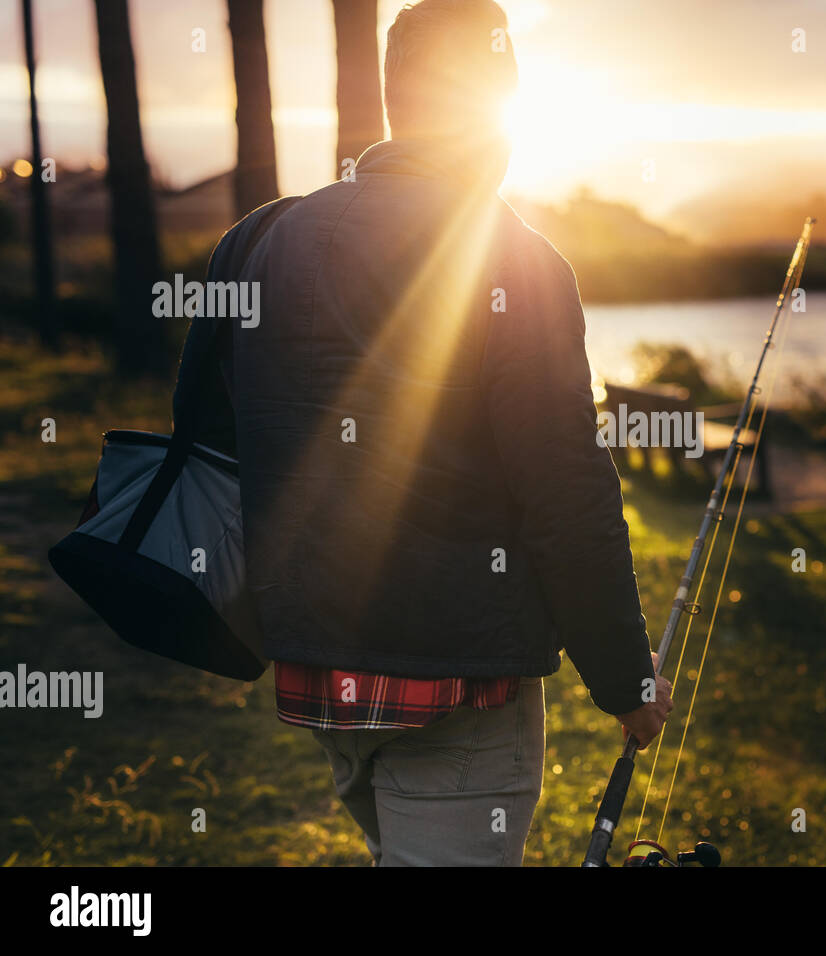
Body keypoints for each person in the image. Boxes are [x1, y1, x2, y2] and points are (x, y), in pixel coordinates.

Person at [178, 0, 672, 866]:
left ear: (395, 95)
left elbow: (208, 434)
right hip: (458, 684)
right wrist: (629, 682)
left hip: (318, 673)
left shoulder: (259, 239)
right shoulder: (516, 259)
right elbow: (566, 492)